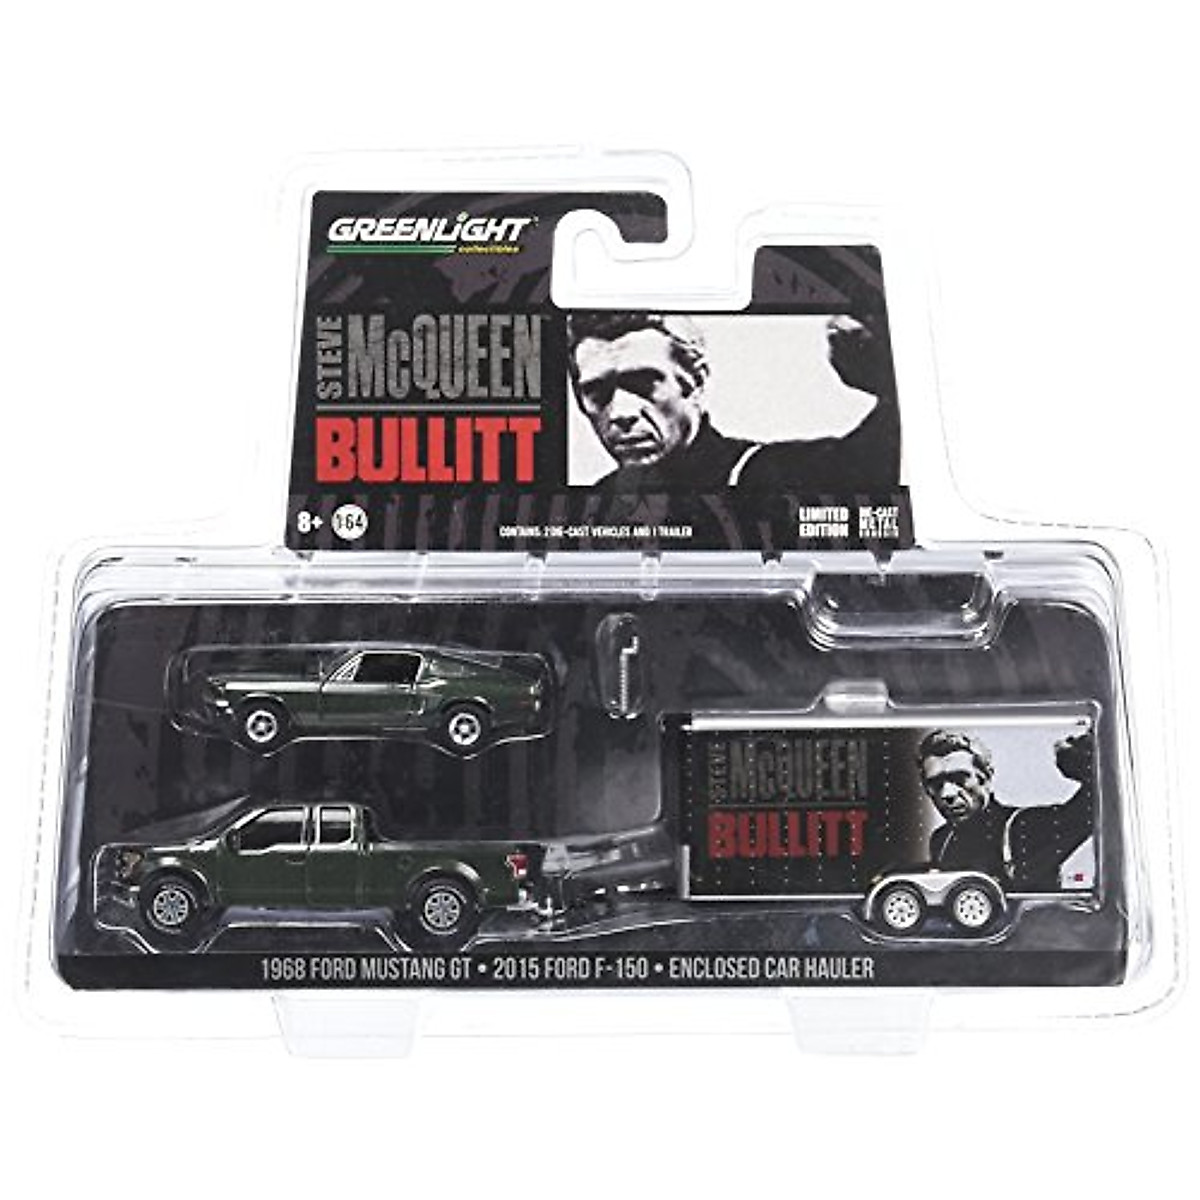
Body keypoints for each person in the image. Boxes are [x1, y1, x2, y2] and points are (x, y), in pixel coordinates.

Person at [566, 311, 899, 490]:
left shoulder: (772, 477)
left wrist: (888, 377)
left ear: (695, 383)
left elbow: (876, 467)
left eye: (643, 384)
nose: (621, 413)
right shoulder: (588, 512)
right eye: (597, 393)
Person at [918, 729, 1095, 891]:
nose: (947, 794)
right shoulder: (942, 840)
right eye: (935, 784)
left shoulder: (1026, 827)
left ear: (986, 778)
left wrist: (1085, 761)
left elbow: (1091, 807)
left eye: (959, 779)